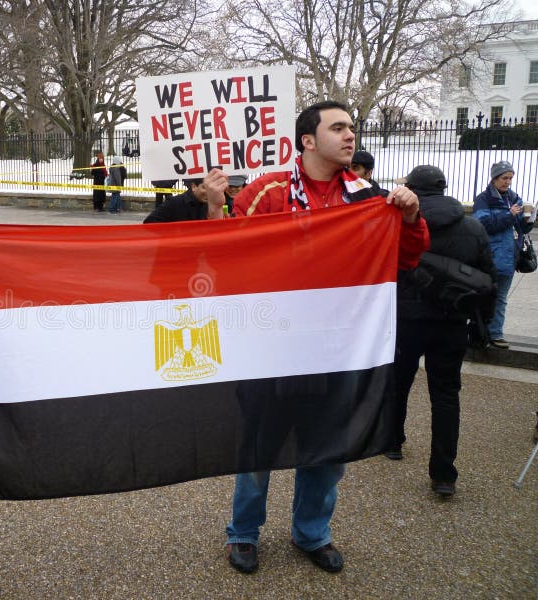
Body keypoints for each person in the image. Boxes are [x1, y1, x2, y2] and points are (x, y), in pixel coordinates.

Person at [203, 100, 428, 575]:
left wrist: (410, 219)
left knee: (327, 451)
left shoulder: (368, 197)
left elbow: (405, 259)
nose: (350, 136)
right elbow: (224, 257)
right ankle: (243, 532)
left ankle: (312, 533)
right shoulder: (267, 191)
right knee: (258, 450)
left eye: (352, 128)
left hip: (337, 352)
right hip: (272, 350)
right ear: (307, 140)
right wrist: (213, 209)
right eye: (338, 127)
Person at [390, 165, 495, 498]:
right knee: (446, 396)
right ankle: (444, 474)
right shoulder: (473, 227)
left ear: (412, 189)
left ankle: (393, 441)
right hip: (451, 321)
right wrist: (483, 324)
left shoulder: (399, 223)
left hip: (407, 319)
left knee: (399, 383)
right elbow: (487, 278)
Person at [473, 160, 535, 348]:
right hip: (490, 257)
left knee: (500, 299)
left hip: (509, 259)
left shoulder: (514, 198)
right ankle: (479, 334)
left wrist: (529, 220)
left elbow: (520, 228)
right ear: (494, 178)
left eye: (510, 178)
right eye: (504, 178)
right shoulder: (483, 199)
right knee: (484, 298)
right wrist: (509, 215)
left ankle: (496, 334)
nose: (507, 182)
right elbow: (483, 225)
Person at [143, 178, 223, 223]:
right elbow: (149, 223)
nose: (209, 192)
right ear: (193, 186)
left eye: (211, 188)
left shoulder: (210, 204)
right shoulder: (174, 203)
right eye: (204, 187)